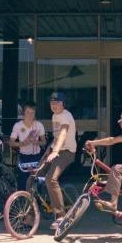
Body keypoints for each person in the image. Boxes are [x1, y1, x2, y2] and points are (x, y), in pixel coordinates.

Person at [38, 91, 76, 226]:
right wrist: (49, 149)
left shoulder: (66, 115)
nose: (53, 105)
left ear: (63, 104)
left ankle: (61, 215)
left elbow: (63, 134)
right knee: (34, 176)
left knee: (50, 178)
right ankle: (31, 216)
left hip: (66, 152)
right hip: (56, 149)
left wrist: (55, 151)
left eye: (56, 102)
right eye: (51, 102)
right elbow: (56, 136)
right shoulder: (54, 116)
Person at [8, 102, 46, 192]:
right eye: (28, 112)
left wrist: (37, 142)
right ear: (23, 113)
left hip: (36, 157)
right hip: (24, 157)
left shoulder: (39, 125)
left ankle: (37, 205)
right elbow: (11, 143)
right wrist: (22, 144)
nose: (30, 115)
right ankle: (23, 204)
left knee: (37, 183)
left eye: (32, 113)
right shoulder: (18, 126)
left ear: (35, 114)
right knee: (23, 183)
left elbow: (44, 142)